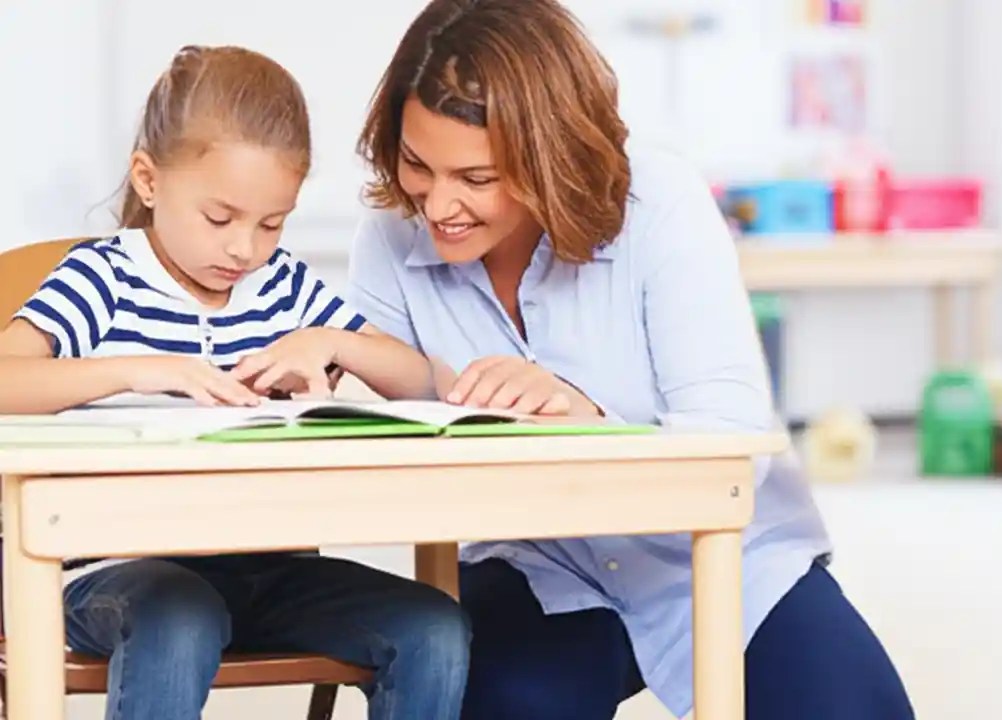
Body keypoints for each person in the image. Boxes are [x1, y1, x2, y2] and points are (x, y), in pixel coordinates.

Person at [348, 1, 915, 718]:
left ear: (546, 155)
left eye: (477, 178)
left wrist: (586, 422)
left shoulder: (659, 202)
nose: (438, 205)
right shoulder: (391, 236)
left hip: (720, 553)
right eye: (417, 165)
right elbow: (407, 432)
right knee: (502, 701)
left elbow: (734, 443)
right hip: (541, 559)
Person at [0, 45, 468, 720]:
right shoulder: (104, 278)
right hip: (111, 571)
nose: (244, 249)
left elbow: (424, 383)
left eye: (272, 224)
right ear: (149, 180)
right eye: (219, 219)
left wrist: (334, 343)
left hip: (269, 570)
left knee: (433, 630)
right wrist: (139, 370)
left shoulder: (281, 287)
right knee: (181, 615)